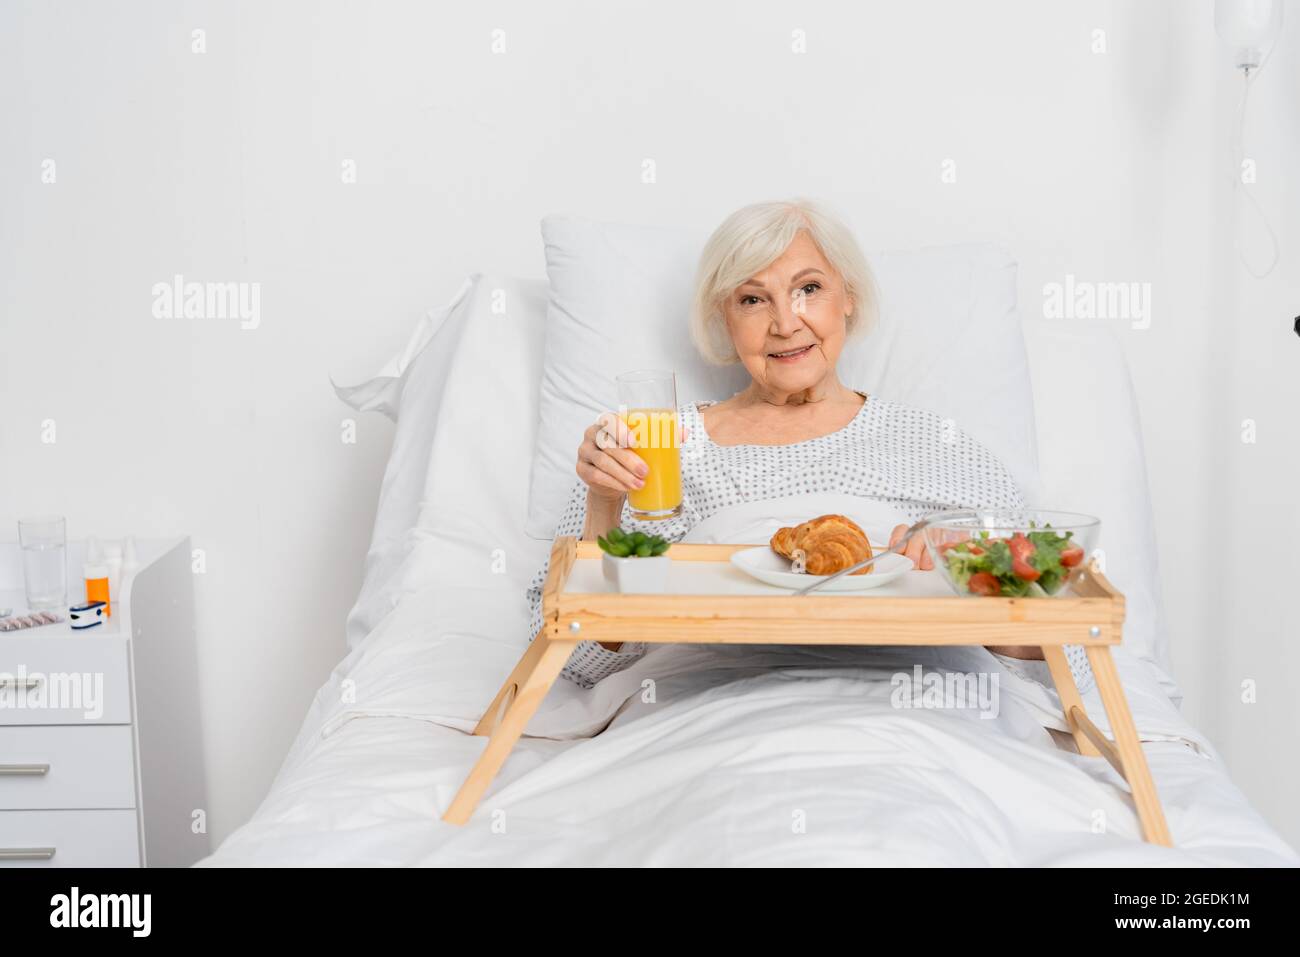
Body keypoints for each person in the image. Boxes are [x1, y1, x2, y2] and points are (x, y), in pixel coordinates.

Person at [526, 198, 1093, 694]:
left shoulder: (937, 444)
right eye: (752, 300)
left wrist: (960, 583)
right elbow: (575, 659)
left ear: (847, 297)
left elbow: (1064, 652)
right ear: (724, 320)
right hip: (711, 710)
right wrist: (604, 504)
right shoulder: (656, 450)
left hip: (915, 710)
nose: (784, 323)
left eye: (809, 289)